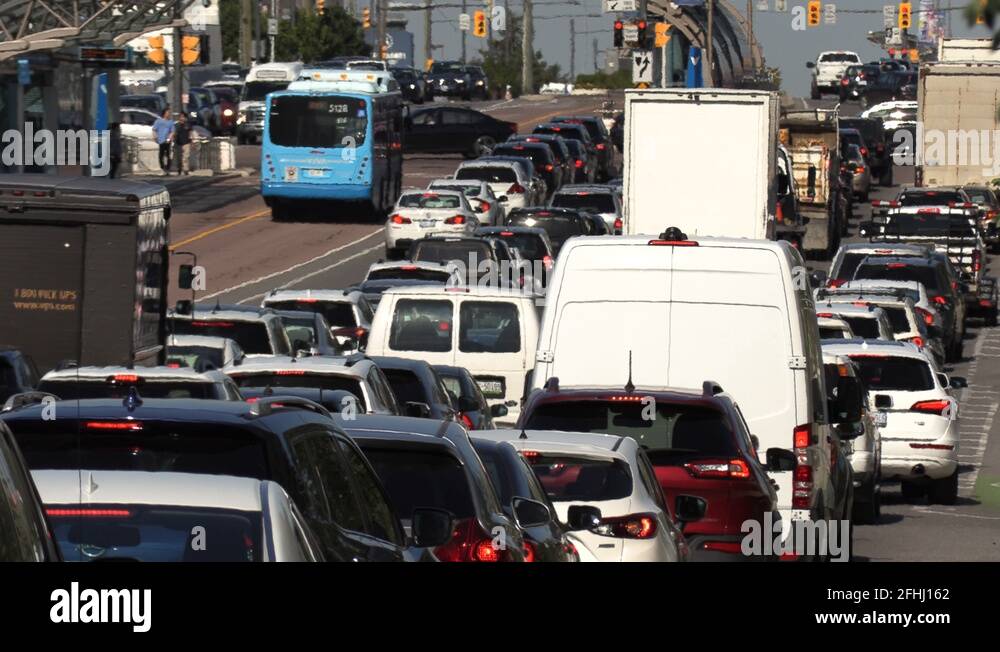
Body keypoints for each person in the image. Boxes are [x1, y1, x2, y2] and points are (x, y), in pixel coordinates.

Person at [152, 108, 174, 174]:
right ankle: (162, 167)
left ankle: (168, 168)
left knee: (168, 155)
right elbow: (154, 129)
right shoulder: (158, 121)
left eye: (169, 113)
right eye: (167, 112)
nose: (169, 114)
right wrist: (155, 137)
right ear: (164, 113)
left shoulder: (170, 122)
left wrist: (169, 138)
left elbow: (172, 131)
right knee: (161, 155)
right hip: (161, 140)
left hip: (168, 141)